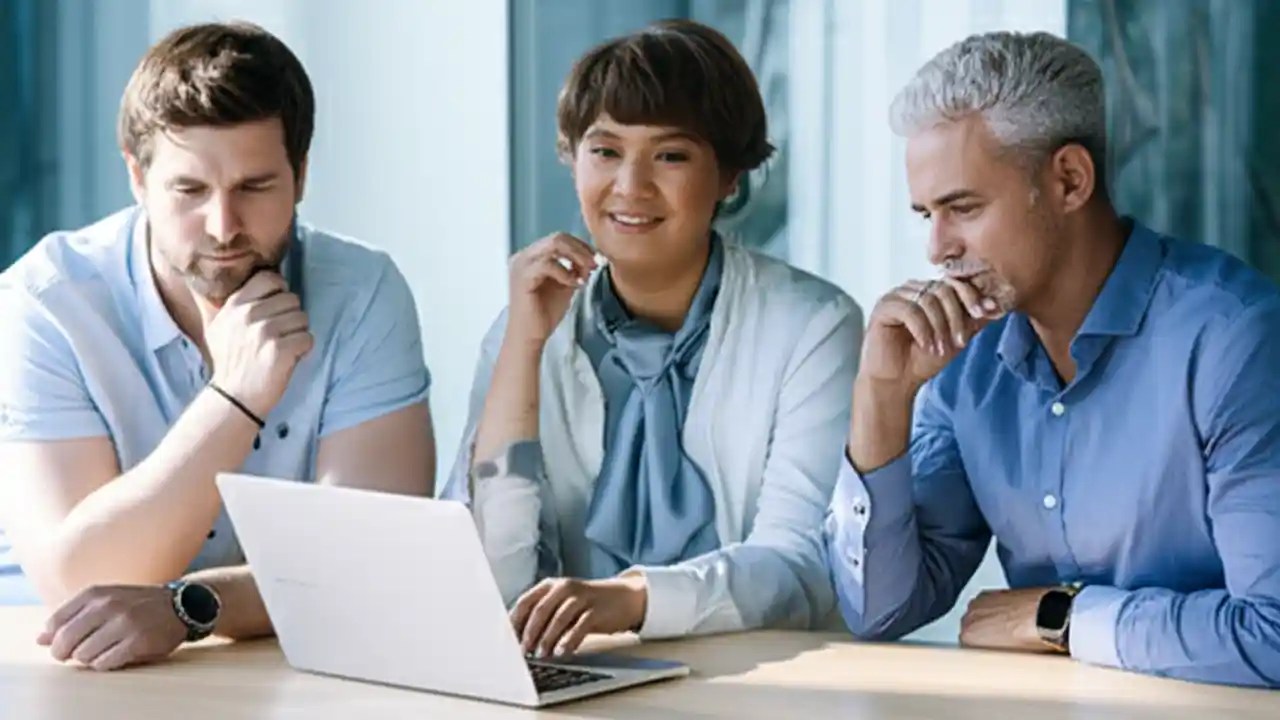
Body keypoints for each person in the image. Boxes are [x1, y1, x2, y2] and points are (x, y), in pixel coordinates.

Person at [825, 30, 1280, 688]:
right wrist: (880, 399)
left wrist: (1061, 616)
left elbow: (1272, 635)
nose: (936, 248)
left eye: (963, 208)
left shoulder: (1234, 342)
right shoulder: (965, 362)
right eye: (925, 213)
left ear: (1069, 179)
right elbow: (880, 608)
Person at [0, 22, 436, 671]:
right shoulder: (46, 301)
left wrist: (189, 607)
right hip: (58, 661)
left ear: (302, 175)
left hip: (279, 661)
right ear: (137, 176)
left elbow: (370, 561)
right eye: (190, 190)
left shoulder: (364, 292)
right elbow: (83, 583)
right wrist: (235, 396)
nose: (224, 227)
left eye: (255, 187)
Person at [443, 19, 862, 659]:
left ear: (729, 176)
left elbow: (797, 567)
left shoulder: (812, 325)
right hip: (579, 675)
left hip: (758, 682)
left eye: (670, 155)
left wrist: (635, 598)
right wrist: (522, 350)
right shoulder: (526, 326)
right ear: (572, 157)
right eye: (605, 151)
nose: (630, 186)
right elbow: (487, 573)